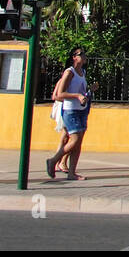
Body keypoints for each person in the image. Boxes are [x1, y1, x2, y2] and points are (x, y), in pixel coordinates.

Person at [46, 47, 90, 180]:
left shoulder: (82, 72)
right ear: (74, 57)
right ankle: (54, 160)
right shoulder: (69, 72)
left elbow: (82, 92)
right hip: (70, 110)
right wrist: (77, 96)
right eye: (81, 54)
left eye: (84, 53)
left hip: (81, 110)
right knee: (74, 139)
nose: (84, 56)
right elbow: (59, 94)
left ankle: (72, 173)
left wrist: (89, 91)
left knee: (78, 142)